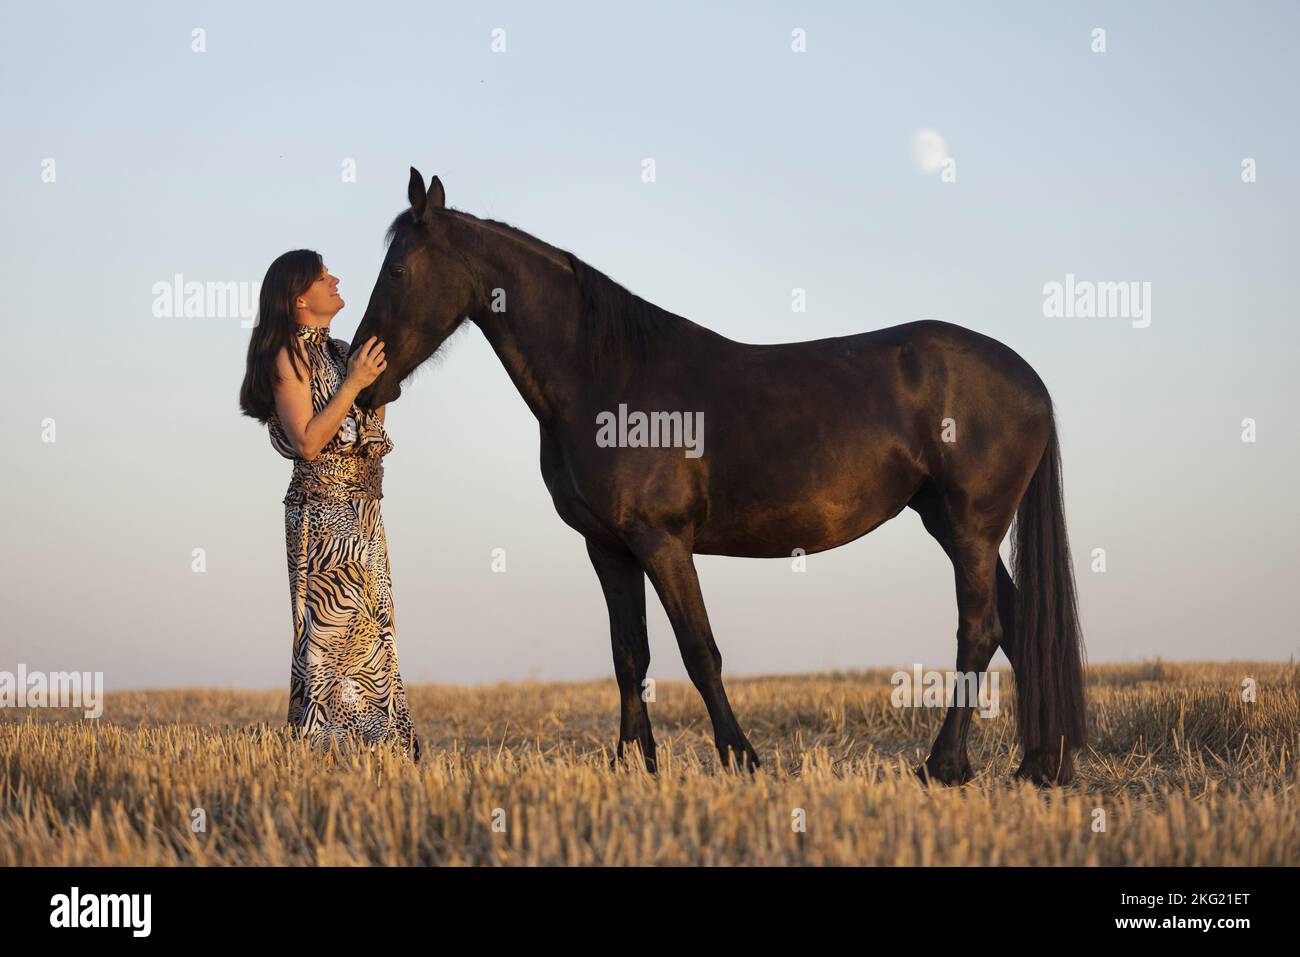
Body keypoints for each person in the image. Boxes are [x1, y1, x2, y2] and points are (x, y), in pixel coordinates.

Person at [239, 249, 421, 760]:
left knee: (373, 631)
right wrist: (356, 384)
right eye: (323, 276)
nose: (336, 278)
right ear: (299, 299)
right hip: (321, 515)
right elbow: (308, 442)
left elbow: (370, 431)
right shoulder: (286, 357)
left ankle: (380, 752)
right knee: (328, 636)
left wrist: (377, 385)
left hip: (365, 510)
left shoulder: (343, 351)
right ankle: (325, 754)